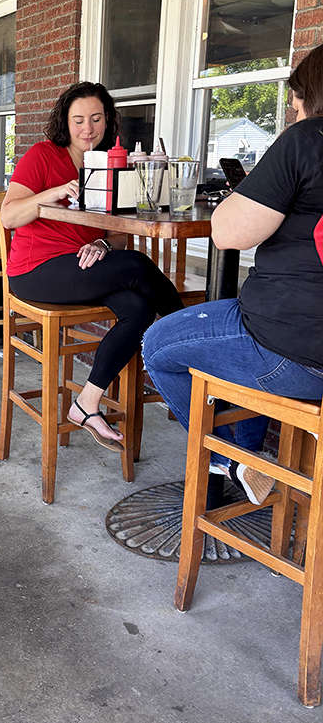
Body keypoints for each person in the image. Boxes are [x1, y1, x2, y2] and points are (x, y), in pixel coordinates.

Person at [142, 43, 323, 505]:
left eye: (295, 102)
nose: (293, 112)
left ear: (311, 97)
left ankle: (231, 462)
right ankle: (247, 463)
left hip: (294, 355)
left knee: (158, 346)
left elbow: (227, 234)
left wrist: (247, 194)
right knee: (234, 347)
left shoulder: (307, 140)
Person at [0, 81, 183, 452]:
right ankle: (187, 339)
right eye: (79, 120)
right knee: (137, 266)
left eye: (96, 119)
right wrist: (51, 194)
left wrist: (102, 244)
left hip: (84, 268)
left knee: (138, 307)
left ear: (108, 120)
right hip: (35, 270)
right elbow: (8, 216)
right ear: (65, 122)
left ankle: (86, 403)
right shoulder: (42, 155)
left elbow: (118, 236)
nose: (88, 128)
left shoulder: (111, 163)